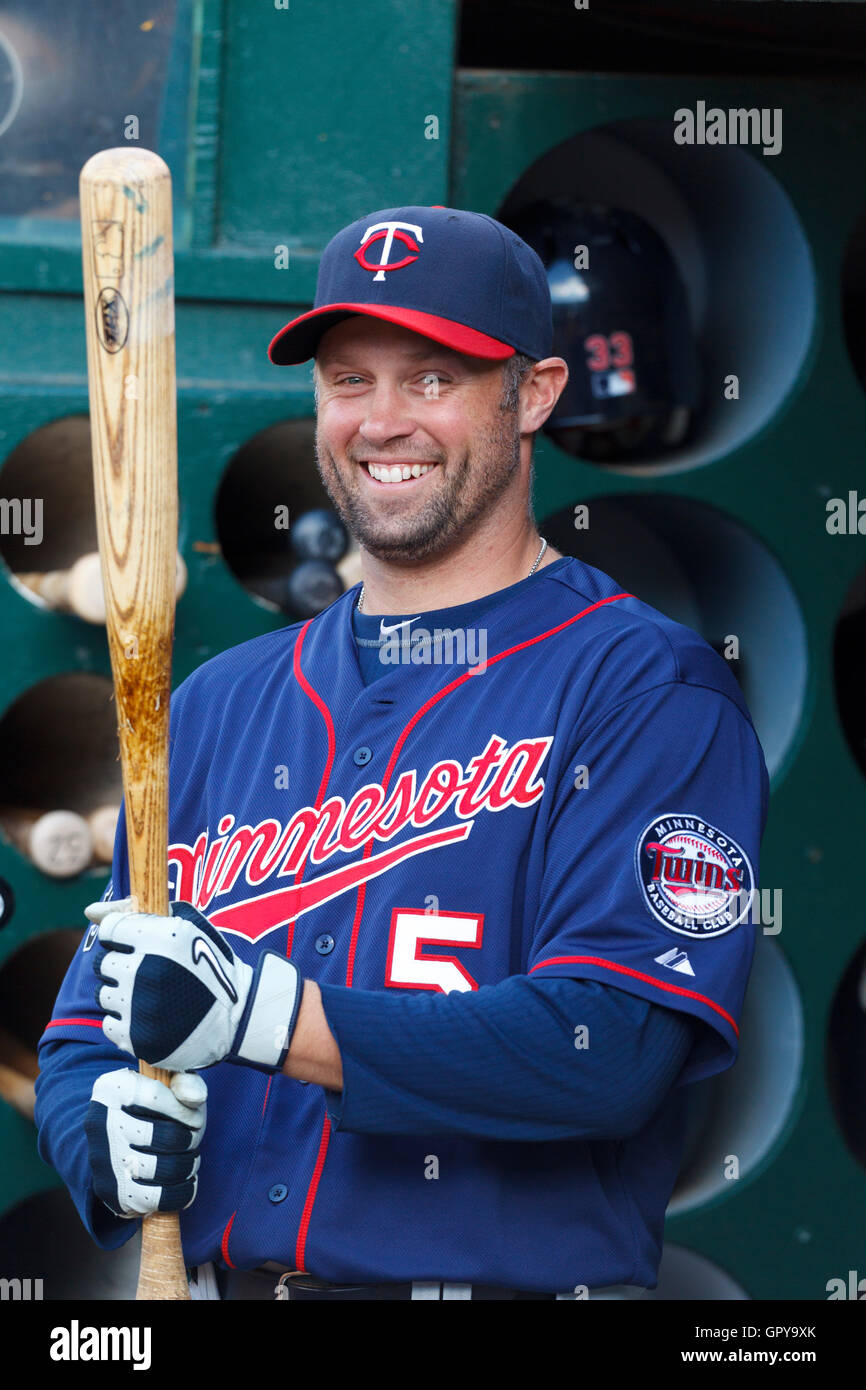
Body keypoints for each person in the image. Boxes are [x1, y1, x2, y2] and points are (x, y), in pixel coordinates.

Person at [35, 205, 769, 1301]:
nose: (381, 420)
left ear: (532, 395)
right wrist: (101, 1128)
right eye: (346, 379)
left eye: (431, 378)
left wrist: (269, 1018)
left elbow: (607, 1046)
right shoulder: (215, 704)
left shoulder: (644, 692)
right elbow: (90, 1023)